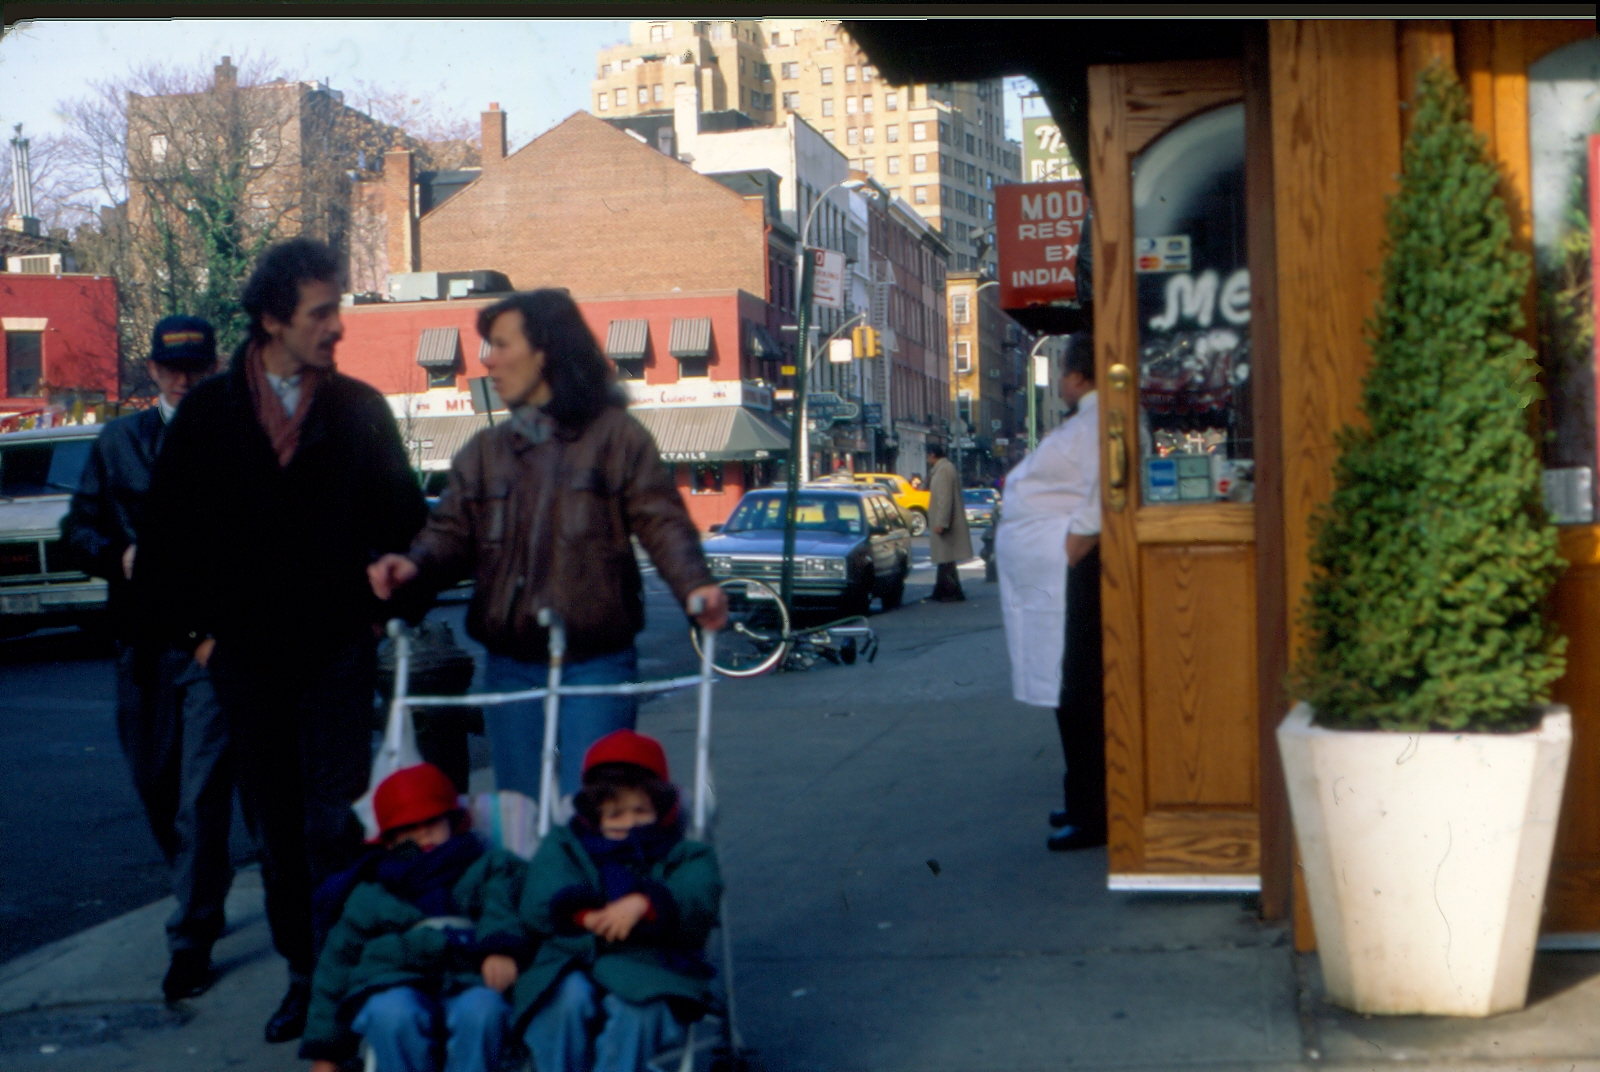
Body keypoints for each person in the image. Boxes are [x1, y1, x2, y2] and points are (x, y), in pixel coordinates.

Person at [137, 237, 430, 1042]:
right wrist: (202, 641)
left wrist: (385, 593)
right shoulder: (207, 415)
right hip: (247, 663)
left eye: (339, 309)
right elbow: (165, 547)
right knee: (274, 827)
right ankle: (305, 974)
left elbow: (408, 524)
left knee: (332, 821)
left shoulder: (358, 410)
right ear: (273, 321)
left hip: (336, 653)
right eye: (322, 313)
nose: (338, 327)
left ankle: (338, 979)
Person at [368, 289, 727, 804]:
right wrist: (412, 565)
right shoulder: (485, 453)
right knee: (520, 811)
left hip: (595, 658)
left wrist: (696, 587)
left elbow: (662, 522)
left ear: (546, 352)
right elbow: (449, 532)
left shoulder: (617, 439)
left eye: (500, 344)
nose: (487, 358)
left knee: (593, 806)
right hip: (511, 661)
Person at [61, 315, 231, 1001]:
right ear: (153, 369)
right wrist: (116, 554)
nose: (183, 380)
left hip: (213, 649)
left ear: (213, 367)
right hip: (144, 645)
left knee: (201, 796)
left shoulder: (234, 443)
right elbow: (79, 527)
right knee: (156, 785)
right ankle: (201, 884)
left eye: (195, 368)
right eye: (171, 368)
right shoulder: (119, 442)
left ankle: (191, 935)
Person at [513, 730, 722, 1071]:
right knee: (561, 1001)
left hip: (653, 966)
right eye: (615, 815)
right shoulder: (567, 845)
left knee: (637, 1011)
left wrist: (646, 902)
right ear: (595, 817)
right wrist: (582, 915)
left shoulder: (685, 854)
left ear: (661, 809)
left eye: (640, 811)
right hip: (573, 958)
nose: (629, 824)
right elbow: (538, 898)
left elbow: (697, 896)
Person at [302, 763, 530, 1072]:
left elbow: (503, 907)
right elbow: (336, 966)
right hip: (394, 981)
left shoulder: (487, 867)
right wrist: (326, 1053)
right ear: (391, 840)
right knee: (391, 1014)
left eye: (432, 822)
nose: (423, 833)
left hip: (469, 977)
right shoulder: (371, 891)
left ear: (453, 822)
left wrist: (501, 947)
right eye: (409, 828)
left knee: (483, 1010)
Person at [994, 333, 1103, 851]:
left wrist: (1074, 542)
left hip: (1071, 573)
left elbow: (1109, 486)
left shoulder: (1102, 421)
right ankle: (1084, 798)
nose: (1059, 380)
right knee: (1071, 692)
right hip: (1058, 573)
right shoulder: (1090, 420)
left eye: (1063, 371)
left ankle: (1092, 809)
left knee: (1077, 693)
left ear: (1080, 376)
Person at [925, 441, 973, 603]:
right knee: (945, 559)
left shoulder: (944, 470)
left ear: (932, 455)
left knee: (945, 559)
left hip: (946, 525)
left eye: (927, 456)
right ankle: (942, 590)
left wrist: (941, 522)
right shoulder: (944, 469)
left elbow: (945, 499)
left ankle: (949, 591)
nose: (927, 460)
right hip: (946, 522)